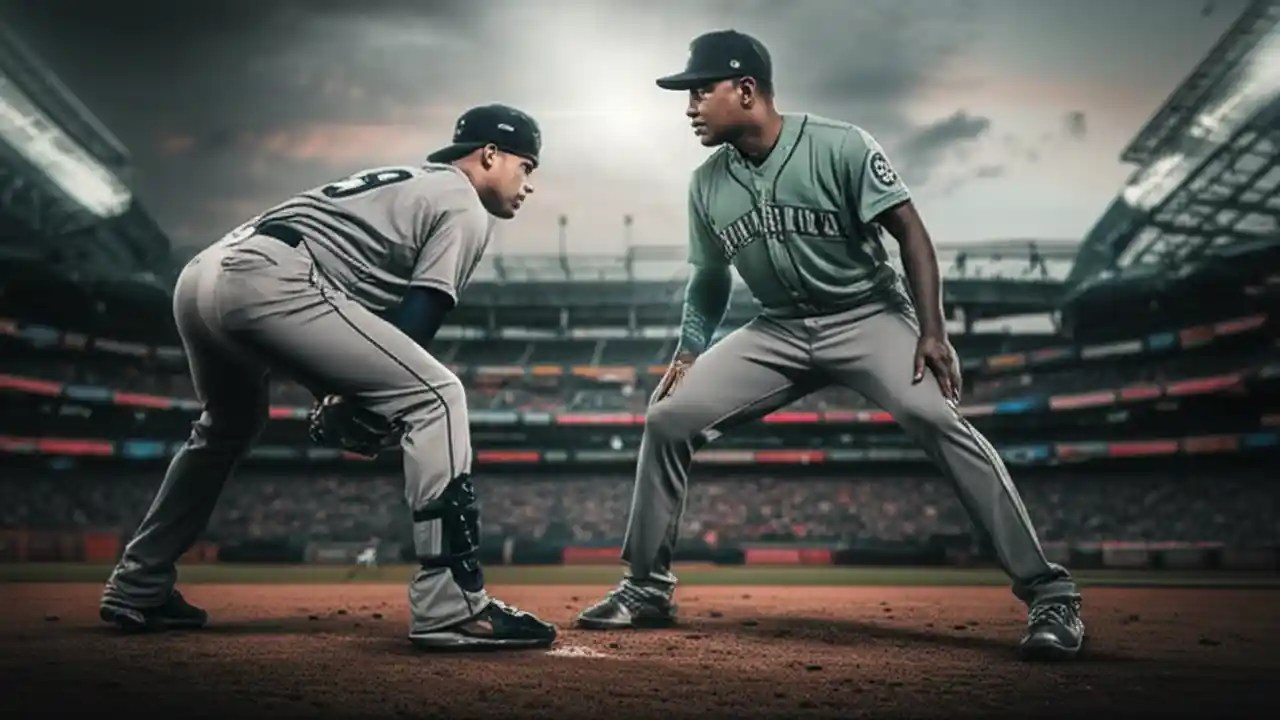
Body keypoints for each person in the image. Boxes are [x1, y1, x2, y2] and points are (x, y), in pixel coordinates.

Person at [575, 30, 1085, 661]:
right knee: (667, 418)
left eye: (701, 91)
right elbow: (709, 277)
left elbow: (911, 233)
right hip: (778, 327)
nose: (689, 107)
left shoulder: (840, 145)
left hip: (868, 315)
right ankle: (646, 587)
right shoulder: (706, 183)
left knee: (936, 418)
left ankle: (1049, 592)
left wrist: (931, 329)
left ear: (746, 89)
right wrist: (688, 349)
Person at [99, 103, 557, 651]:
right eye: (526, 166)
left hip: (203, 276)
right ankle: (452, 605)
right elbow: (418, 320)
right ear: (489, 155)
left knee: (226, 428)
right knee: (437, 396)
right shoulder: (463, 202)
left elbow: (339, 329)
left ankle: (139, 584)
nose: (528, 183)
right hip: (271, 278)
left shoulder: (410, 183)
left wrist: (342, 394)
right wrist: (353, 401)